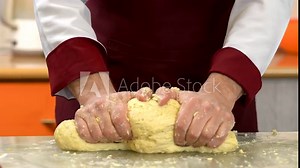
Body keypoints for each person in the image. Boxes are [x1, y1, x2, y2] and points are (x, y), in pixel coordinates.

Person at [34, 0, 293, 148]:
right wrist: (95, 92)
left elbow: (266, 3)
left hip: (218, 84)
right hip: (100, 78)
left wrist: (222, 92)